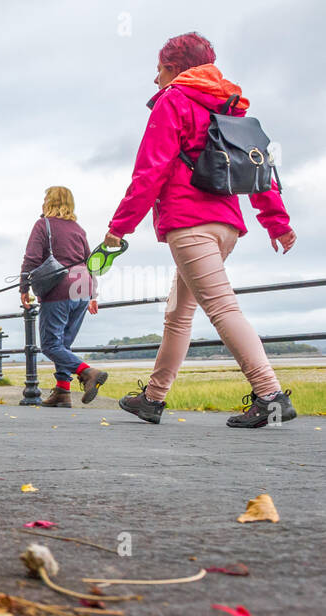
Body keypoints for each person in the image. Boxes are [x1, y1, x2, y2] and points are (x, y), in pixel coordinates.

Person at [107, 32, 296, 428]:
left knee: (222, 308)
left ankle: (270, 394)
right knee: (178, 313)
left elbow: (149, 173)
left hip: (190, 225)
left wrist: (118, 229)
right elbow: (256, 168)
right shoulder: (231, 108)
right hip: (225, 225)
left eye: (158, 69)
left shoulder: (173, 101)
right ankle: (152, 399)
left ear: (174, 69)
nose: (154, 78)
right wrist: (276, 221)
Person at [19, 186, 108, 407]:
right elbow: (91, 262)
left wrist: (23, 288)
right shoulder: (78, 229)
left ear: (48, 201)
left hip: (59, 288)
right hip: (83, 287)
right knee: (64, 344)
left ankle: (88, 372)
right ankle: (62, 392)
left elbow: (31, 259)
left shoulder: (43, 225)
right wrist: (93, 293)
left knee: (50, 345)